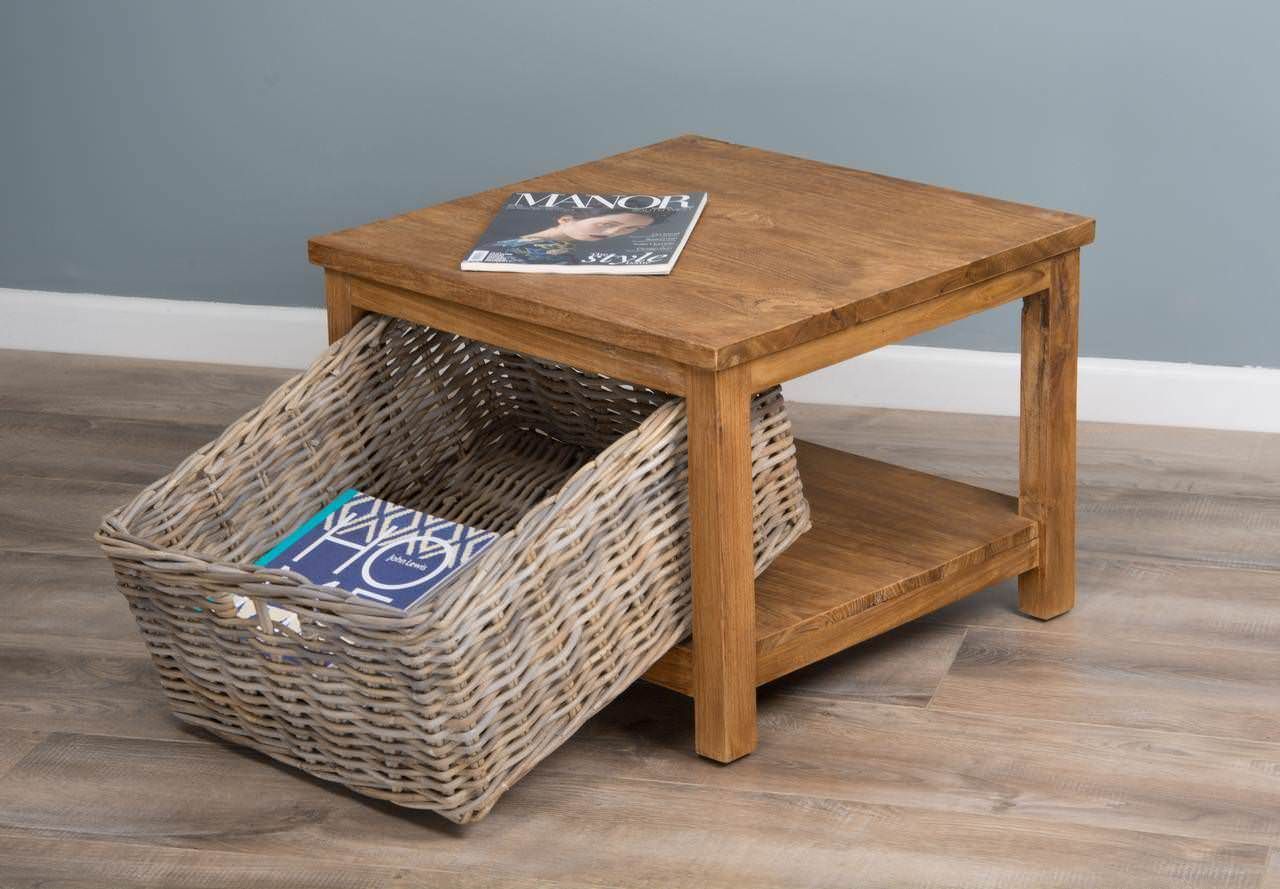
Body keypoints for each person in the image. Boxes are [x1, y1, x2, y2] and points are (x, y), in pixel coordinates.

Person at [481, 205, 675, 264]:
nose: (614, 232)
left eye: (629, 229)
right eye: (607, 223)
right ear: (566, 219)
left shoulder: (568, 255)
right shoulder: (500, 245)